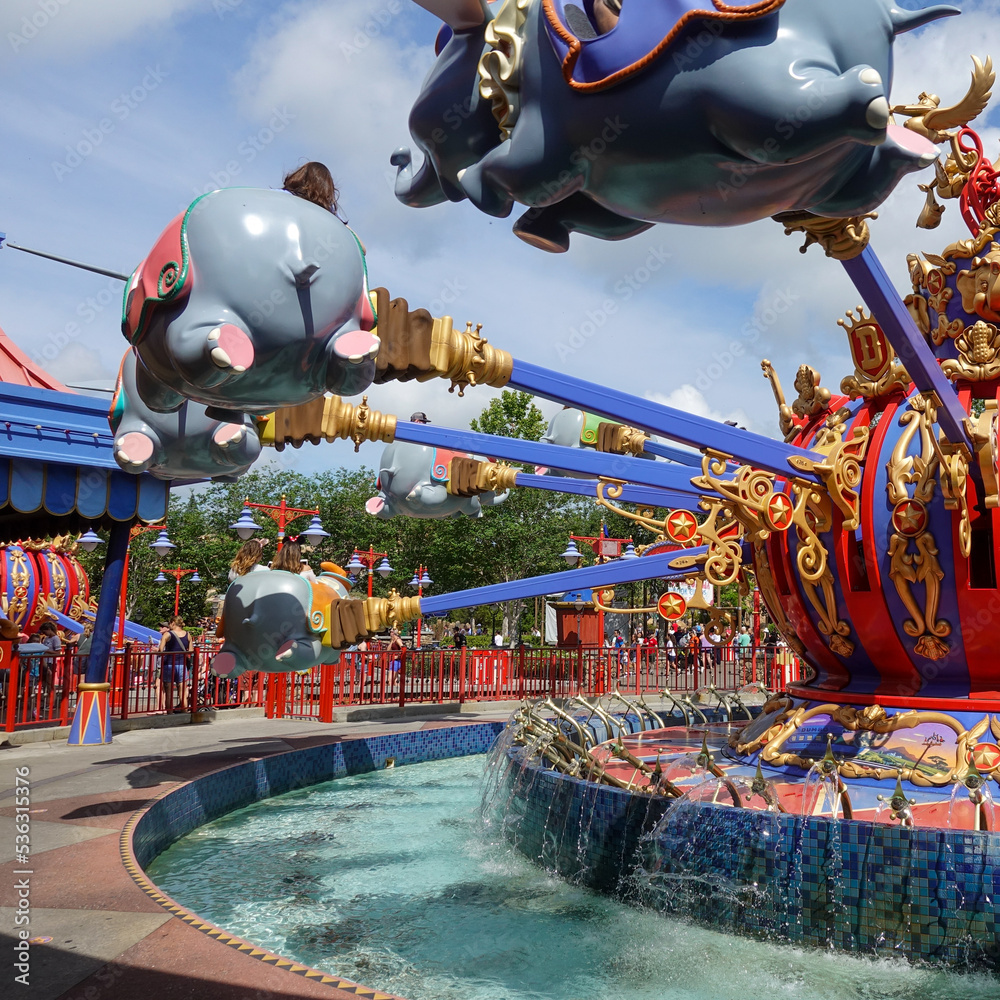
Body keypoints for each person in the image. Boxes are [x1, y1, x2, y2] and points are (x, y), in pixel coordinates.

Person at [159, 616, 191, 713]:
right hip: (182, 664)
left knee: (168, 689)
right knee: (182, 689)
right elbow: (191, 650)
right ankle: (184, 710)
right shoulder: (187, 634)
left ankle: (169, 711)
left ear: (173, 623)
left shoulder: (168, 634)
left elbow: (161, 649)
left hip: (169, 664)